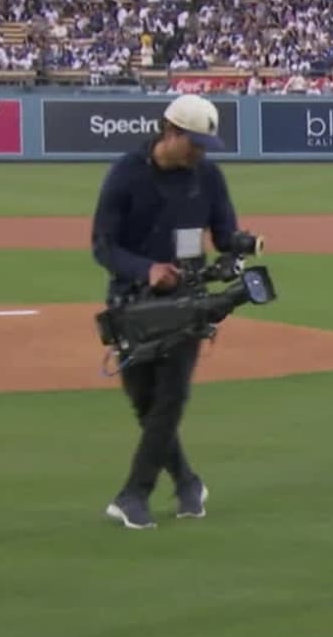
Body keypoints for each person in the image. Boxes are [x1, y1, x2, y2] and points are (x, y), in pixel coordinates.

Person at [89, 93, 237, 530]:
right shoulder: (126, 174)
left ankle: (134, 494)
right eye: (192, 143)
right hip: (132, 303)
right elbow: (103, 245)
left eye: (204, 145)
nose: (199, 152)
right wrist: (145, 269)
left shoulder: (208, 176)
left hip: (186, 304)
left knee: (171, 399)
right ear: (169, 132)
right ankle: (188, 482)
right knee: (146, 402)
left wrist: (240, 245)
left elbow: (225, 232)